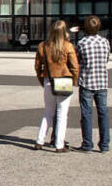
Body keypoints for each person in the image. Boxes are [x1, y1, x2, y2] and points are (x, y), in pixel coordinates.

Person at [32, 19, 80, 152]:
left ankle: (39, 141)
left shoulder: (43, 46)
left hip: (49, 80)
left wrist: (43, 81)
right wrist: (73, 81)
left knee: (48, 112)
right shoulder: (68, 46)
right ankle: (59, 145)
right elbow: (75, 66)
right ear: (64, 31)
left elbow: (37, 67)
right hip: (64, 81)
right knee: (62, 114)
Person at [76, 15, 112, 153]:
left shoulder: (82, 43)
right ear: (99, 27)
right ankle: (104, 145)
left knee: (86, 114)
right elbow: (106, 59)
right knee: (103, 113)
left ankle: (87, 144)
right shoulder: (105, 42)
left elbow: (78, 61)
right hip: (102, 81)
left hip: (87, 81)